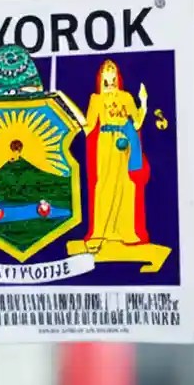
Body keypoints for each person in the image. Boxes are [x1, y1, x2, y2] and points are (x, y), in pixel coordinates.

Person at [82, 58, 150, 246]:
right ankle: (100, 231)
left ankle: (126, 231)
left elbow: (136, 123)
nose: (110, 79)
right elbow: (89, 126)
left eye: (113, 73)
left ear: (117, 76)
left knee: (126, 183)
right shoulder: (96, 99)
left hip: (124, 142)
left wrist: (143, 102)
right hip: (105, 141)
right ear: (102, 77)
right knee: (104, 183)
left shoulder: (126, 97)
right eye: (106, 73)